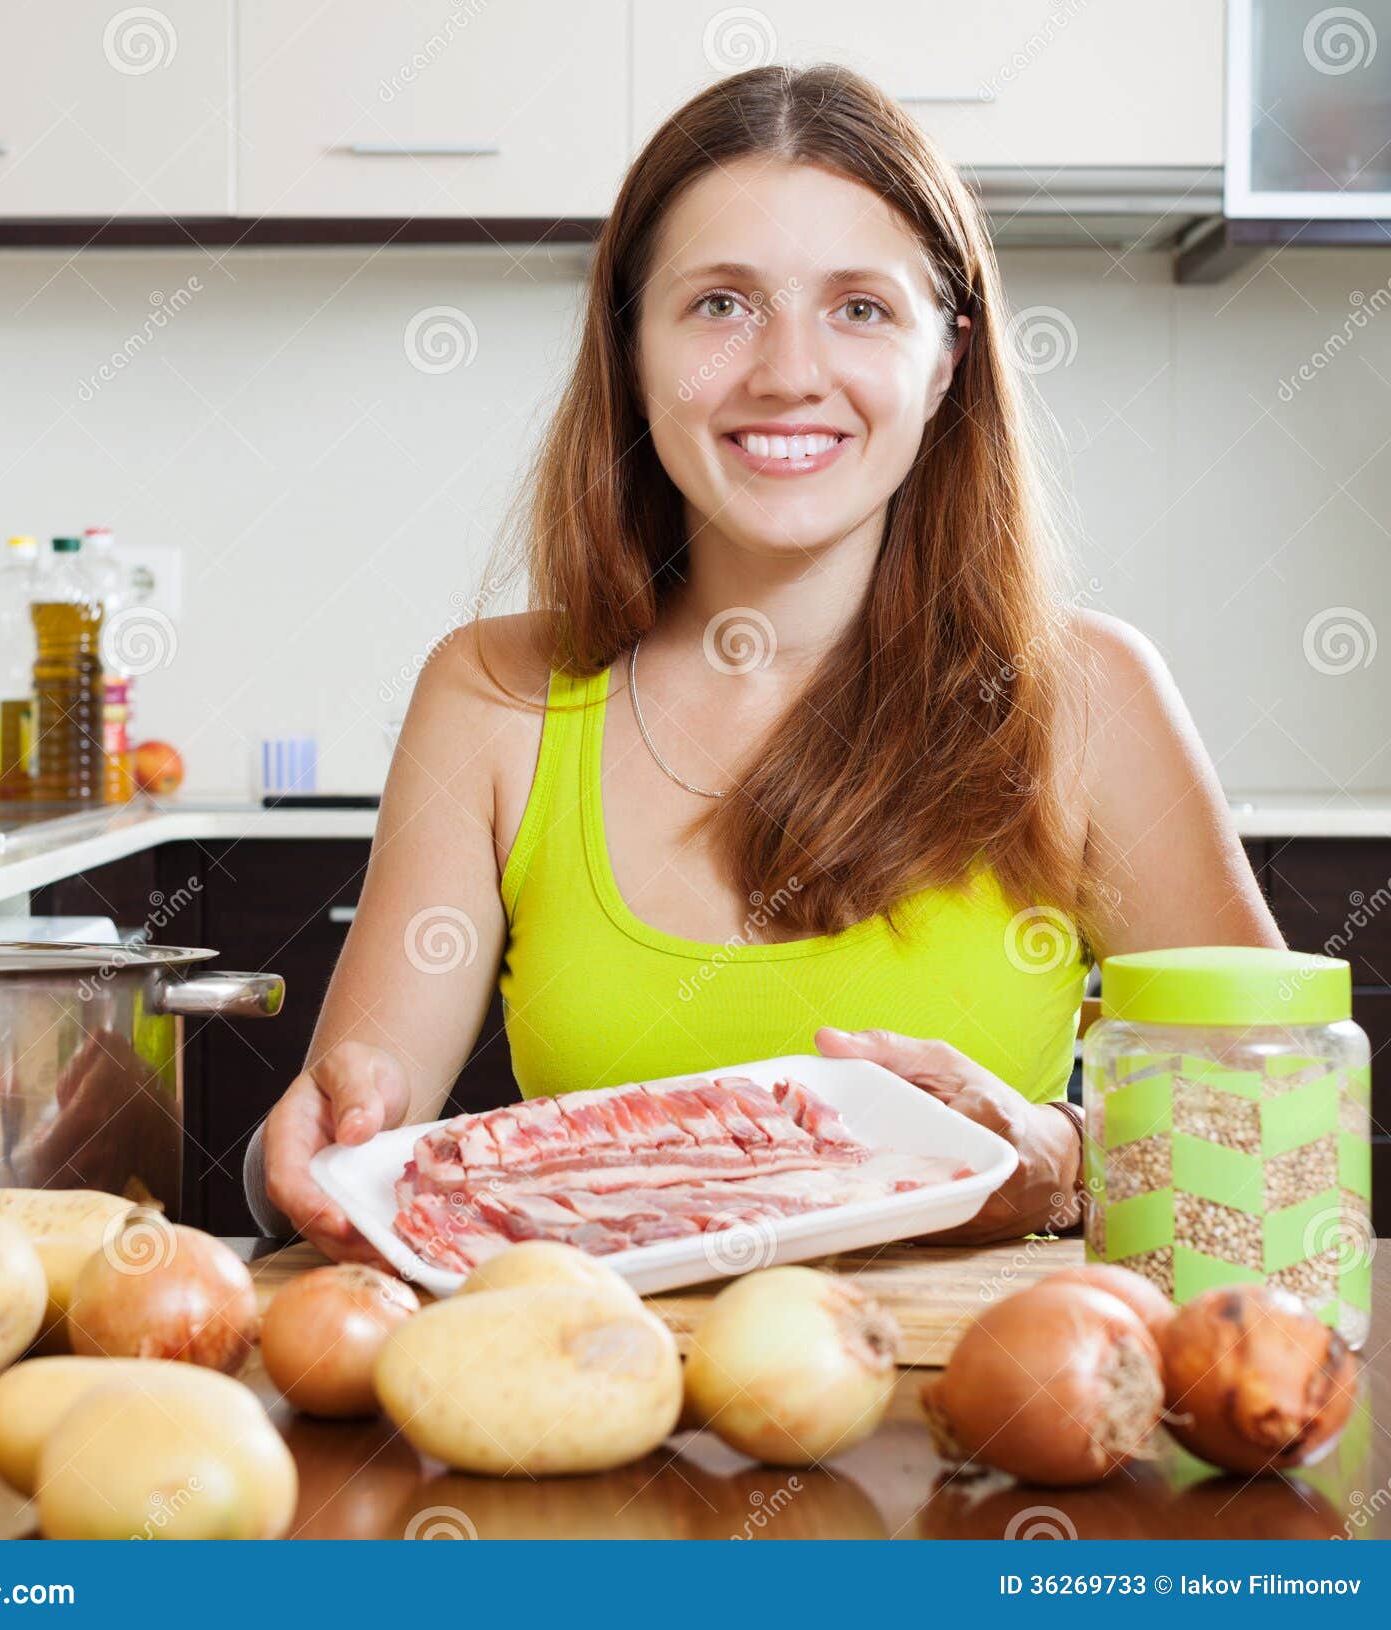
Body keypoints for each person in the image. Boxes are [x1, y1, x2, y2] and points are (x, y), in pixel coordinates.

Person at [245, 63, 1281, 1258]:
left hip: (983, 1414)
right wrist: (329, 1139)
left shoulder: (1086, 698)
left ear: (945, 362)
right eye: (721, 304)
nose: (787, 370)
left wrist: (1059, 1162)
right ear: (630, 345)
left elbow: (1265, 1149)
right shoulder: (488, 699)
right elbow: (351, 1151)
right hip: (594, 1406)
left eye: (859, 308)